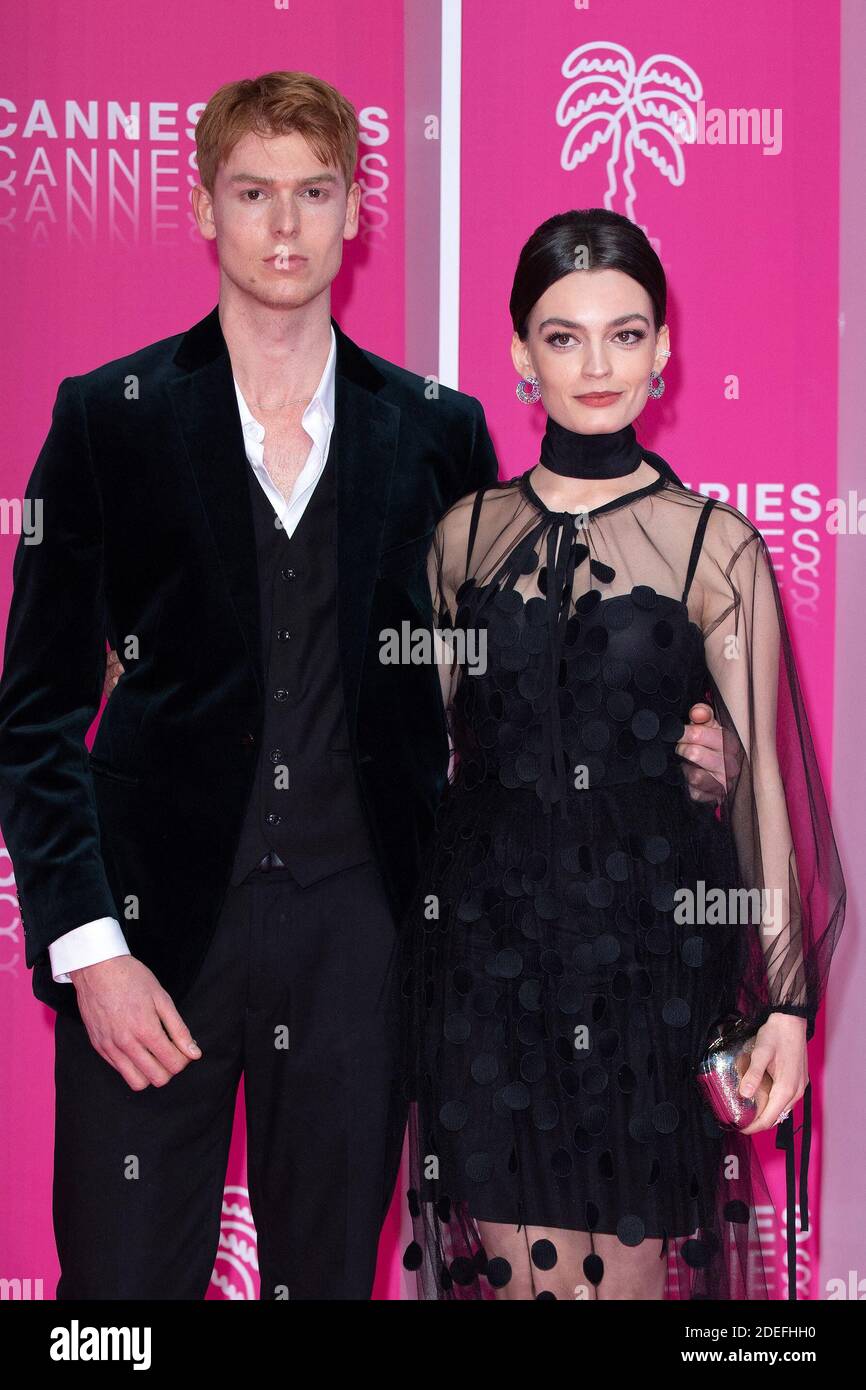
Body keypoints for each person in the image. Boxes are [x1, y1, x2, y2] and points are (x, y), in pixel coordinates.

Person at [0, 66, 722, 1300]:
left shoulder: (434, 432)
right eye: (253, 193)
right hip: (149, 942)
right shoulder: (105, 418)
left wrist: (676, 746)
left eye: (313, 192)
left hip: (362, 945)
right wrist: (88, 949)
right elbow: (35, 720)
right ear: (201, 209)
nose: (284, 226)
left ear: (354, 212)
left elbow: (509, 684)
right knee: (111, 1308)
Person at [398, 208, 846, 1301]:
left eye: (624, 332)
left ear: (661, 350)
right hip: (487, 965)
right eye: (562, 336)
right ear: (517, 354)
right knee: (521, 1287)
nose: (596, 364)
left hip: (646, 963)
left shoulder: (715, 544)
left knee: (627, 1287)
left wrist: (784, 1003)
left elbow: (763, 803)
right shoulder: (459, 537)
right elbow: (426, 761)